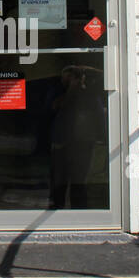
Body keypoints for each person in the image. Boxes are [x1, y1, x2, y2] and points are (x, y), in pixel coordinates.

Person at [48, 64, 104, 208]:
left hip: (83, 144)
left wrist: (84, 71)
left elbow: (99, 115)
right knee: (59, 181)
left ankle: (79, 212)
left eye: (73, 77)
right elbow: (54, 107)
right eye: (66, 78)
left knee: (79, 181)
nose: (67, 80)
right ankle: (56, 209)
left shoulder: (90, 95)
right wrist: (71, 90)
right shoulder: (58, 92)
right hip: (61, 143)